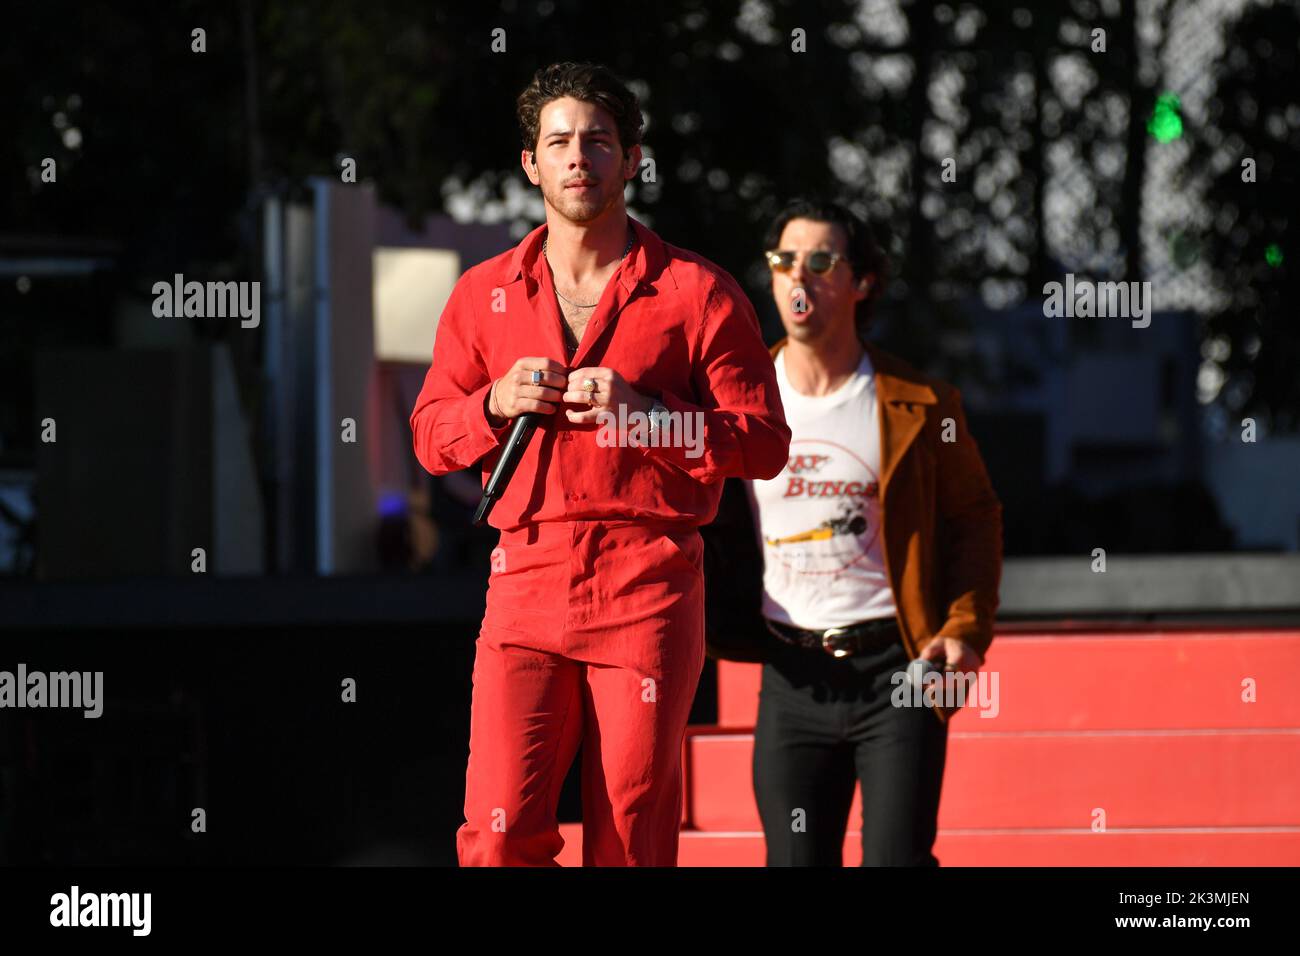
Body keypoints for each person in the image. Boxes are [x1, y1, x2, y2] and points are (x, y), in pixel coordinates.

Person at [409, 61, 790, 866]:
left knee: (631, 827)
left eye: (599, 141)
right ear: (531, 164)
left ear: (633, 159)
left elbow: (762, 442)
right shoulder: (485, 294)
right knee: (498, 830)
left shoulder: (699, 292)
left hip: (648, 580)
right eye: (559, 142)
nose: (579, 157)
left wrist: (649, 417)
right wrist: (492, 404)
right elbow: (430, 436)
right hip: (525, 579)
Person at [703, 198, 1002, 866]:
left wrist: (964, 629)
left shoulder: (921, 403)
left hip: (897, 669)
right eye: (784, 260)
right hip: (791, 675)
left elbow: (975, 518)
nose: (798, 277)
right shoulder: (738, 401)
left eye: (821, 262)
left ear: (861, 282)